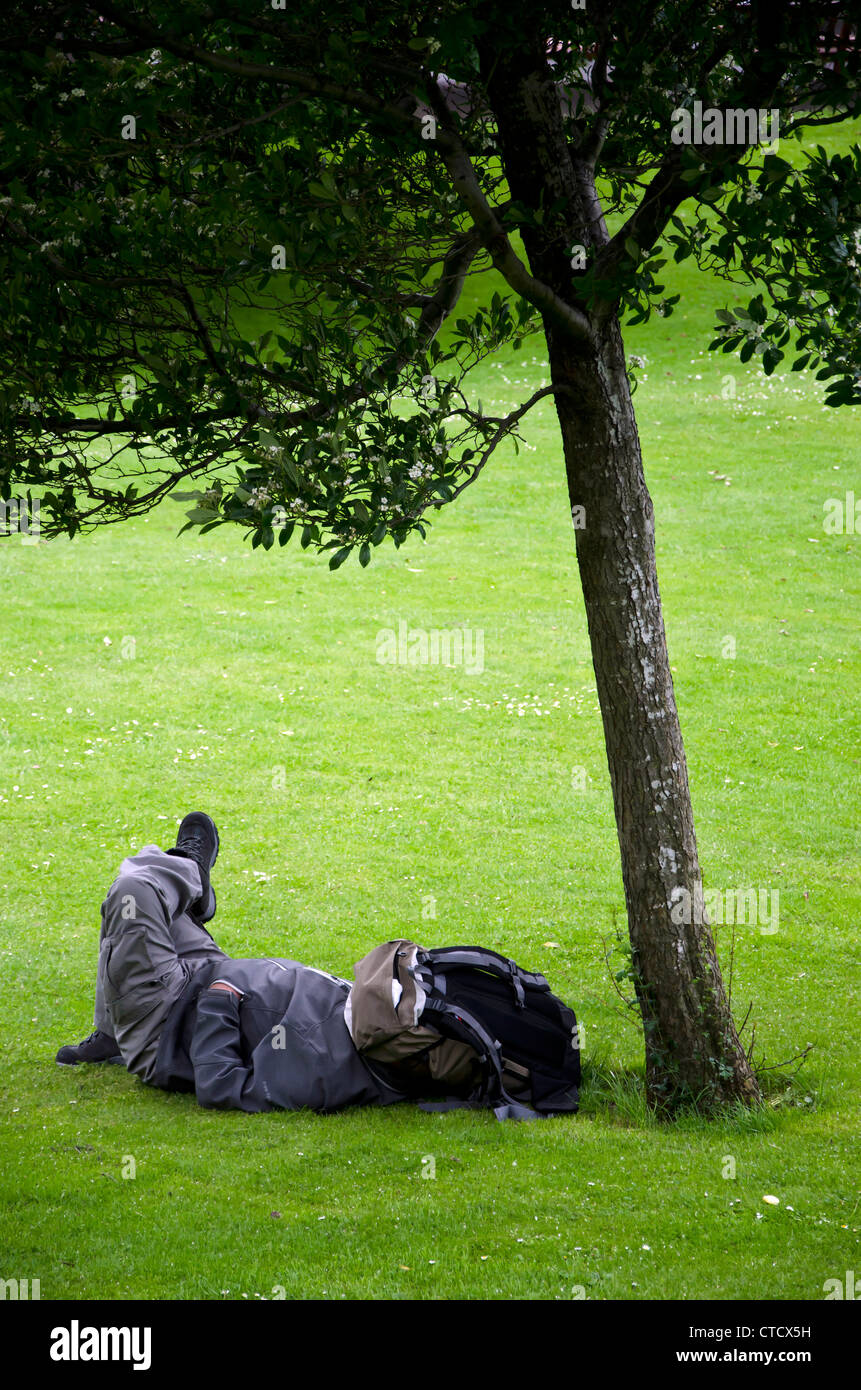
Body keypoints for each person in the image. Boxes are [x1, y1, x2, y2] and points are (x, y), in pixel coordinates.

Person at [56, 813, 407, 1114]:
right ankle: (112, 1031)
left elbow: (220, 1085)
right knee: (151, 902)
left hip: (165, 1022)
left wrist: (219, 1004)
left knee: (134, 894)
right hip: (206, 973)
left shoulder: (334, 1069)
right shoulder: (377, 1020)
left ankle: (191, 871)